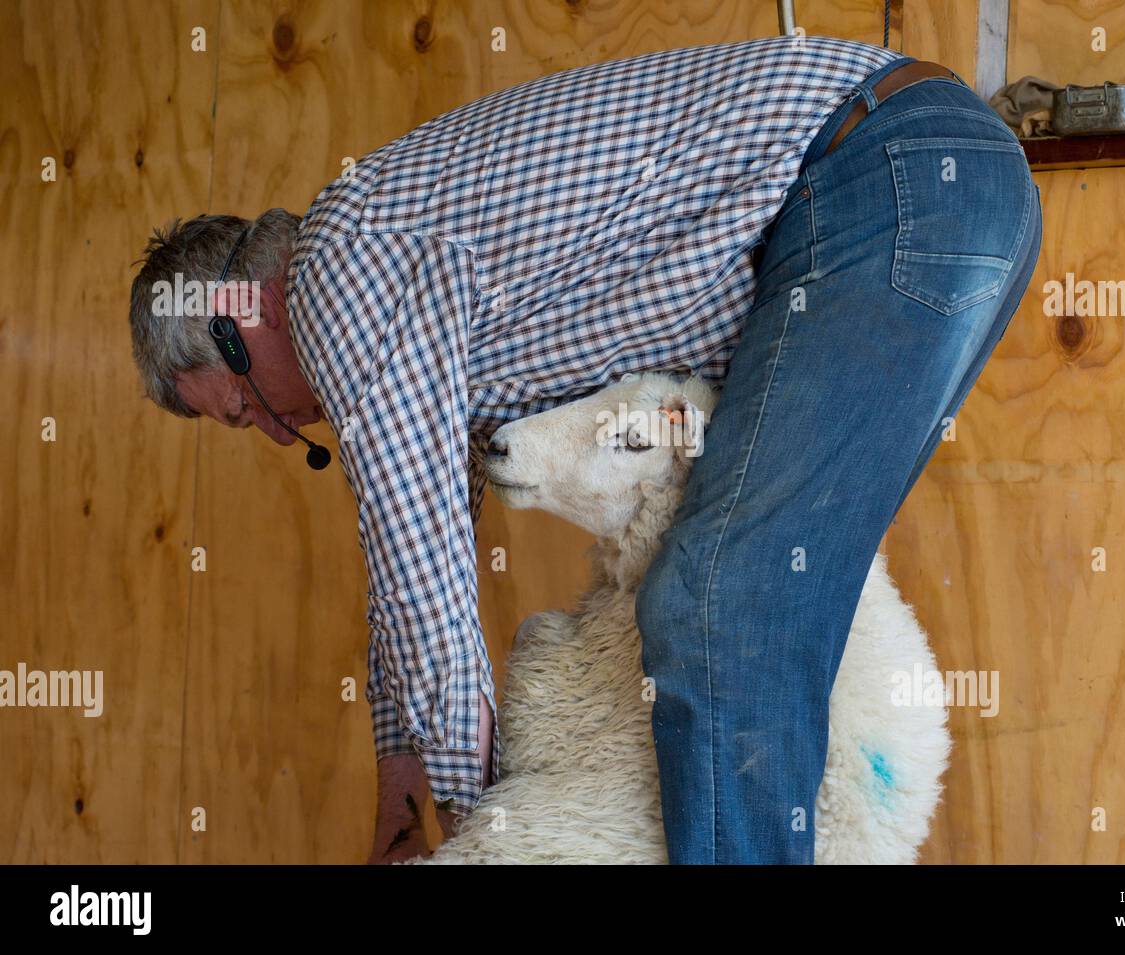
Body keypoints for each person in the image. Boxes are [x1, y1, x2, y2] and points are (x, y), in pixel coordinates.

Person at [128, 35, 1040, 864]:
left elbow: (426, 579)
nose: (288, 431)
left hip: (886, 175)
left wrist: (481, 833)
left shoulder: (337, 271)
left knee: (721, 601)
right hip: (938, 187)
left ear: (243, 318)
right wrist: (401, 786)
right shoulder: (403, 307)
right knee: (756, 604)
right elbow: (403, 550)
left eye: (247, 409)